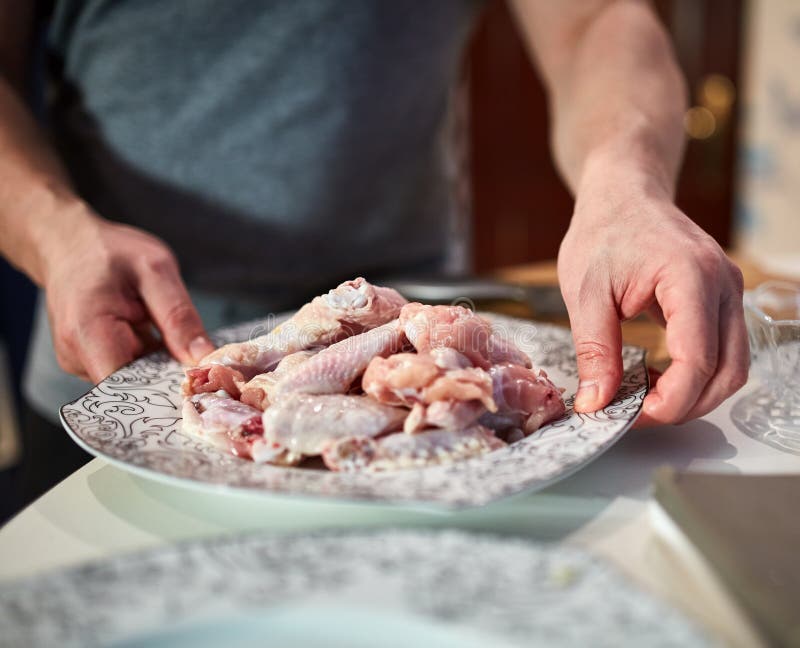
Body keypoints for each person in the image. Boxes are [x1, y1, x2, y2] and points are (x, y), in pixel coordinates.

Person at [0, 1, 748, 506]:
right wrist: (53, 227)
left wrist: (628, 182)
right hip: (125, 369)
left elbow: (597, 17)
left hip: (428, 328)